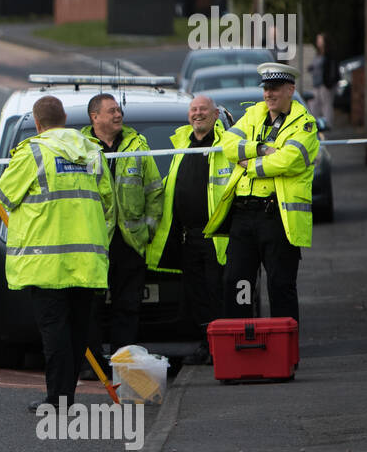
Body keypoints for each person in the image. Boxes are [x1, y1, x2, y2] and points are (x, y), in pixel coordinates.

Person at [0, 96, 114, 411]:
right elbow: (108, 202)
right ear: (64, 119)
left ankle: (57, 399)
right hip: (86, 261)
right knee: (76, 333)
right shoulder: (91, 151)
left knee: (54, 334)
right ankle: (66, 397)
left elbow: (3, 197)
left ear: (37, 123)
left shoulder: (33, 152)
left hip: (46, 262)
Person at [206, 62, 319, 329]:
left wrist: (251, 165)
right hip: (243, 215)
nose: (268, 94)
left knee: (280, 286)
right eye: (266, 89)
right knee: (237, 283)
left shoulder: (305, 124)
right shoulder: (254, 114)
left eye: (275, 88)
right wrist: (260, 148)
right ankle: (241, 349)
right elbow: (228, 144)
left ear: (290, 89)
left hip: (278, 217)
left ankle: (284, 358)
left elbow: (288, 161)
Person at [145, 95, 232, 365]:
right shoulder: (182, 143)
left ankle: (222, 349)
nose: (197, 114)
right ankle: (205, 345)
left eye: (203, 110)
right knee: (196, 296)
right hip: (187, 236)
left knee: (217, 293)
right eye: (193, 110)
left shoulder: (226, 144)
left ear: (216, 114)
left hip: (217, 236)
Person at [83, 93, 163, 357]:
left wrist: (147, 229)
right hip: (94, 242)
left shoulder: (137, 145)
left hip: (130, 241)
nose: (118, 115)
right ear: (95, 117)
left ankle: (123, 364)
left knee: (128, 307)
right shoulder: (79, 148)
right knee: (90, 308)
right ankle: (91, 363)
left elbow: (154, 190)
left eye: (119, 110)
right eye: (111, 111)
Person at [310, 32, 336, 126]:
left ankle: (327, 125)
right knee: (314, 105)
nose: (318, 42)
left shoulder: (329, 54)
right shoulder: (318, 54)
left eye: (320, 40)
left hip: (325, 84)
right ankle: (313, 124)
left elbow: (332, 69)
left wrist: (329, 83)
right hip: (316, 84)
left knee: (326, 105)